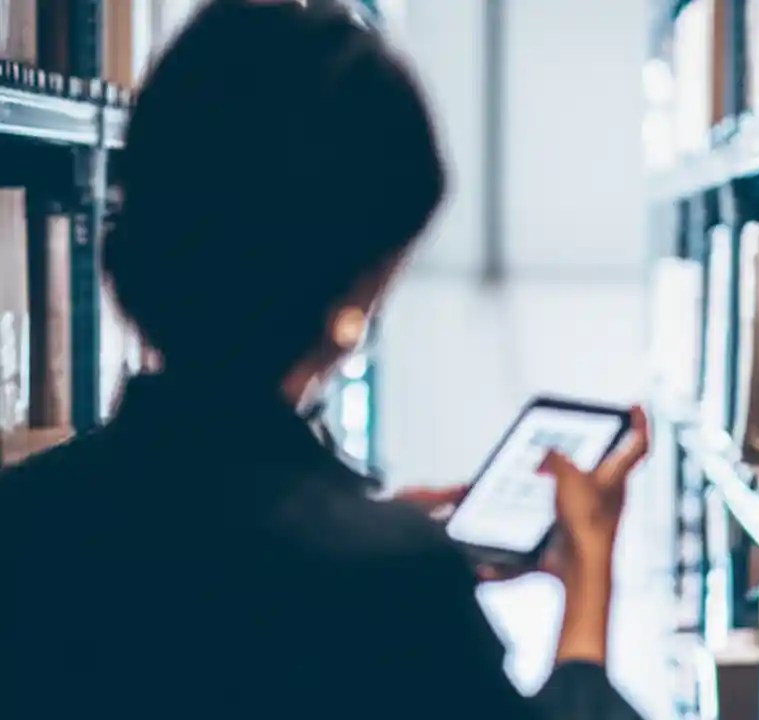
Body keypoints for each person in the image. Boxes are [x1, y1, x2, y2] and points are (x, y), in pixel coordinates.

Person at [0, 2, 648, 718]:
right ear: (355, 290)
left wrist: (361, 526)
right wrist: (588, 584)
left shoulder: (25, 518)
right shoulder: (389, 584)